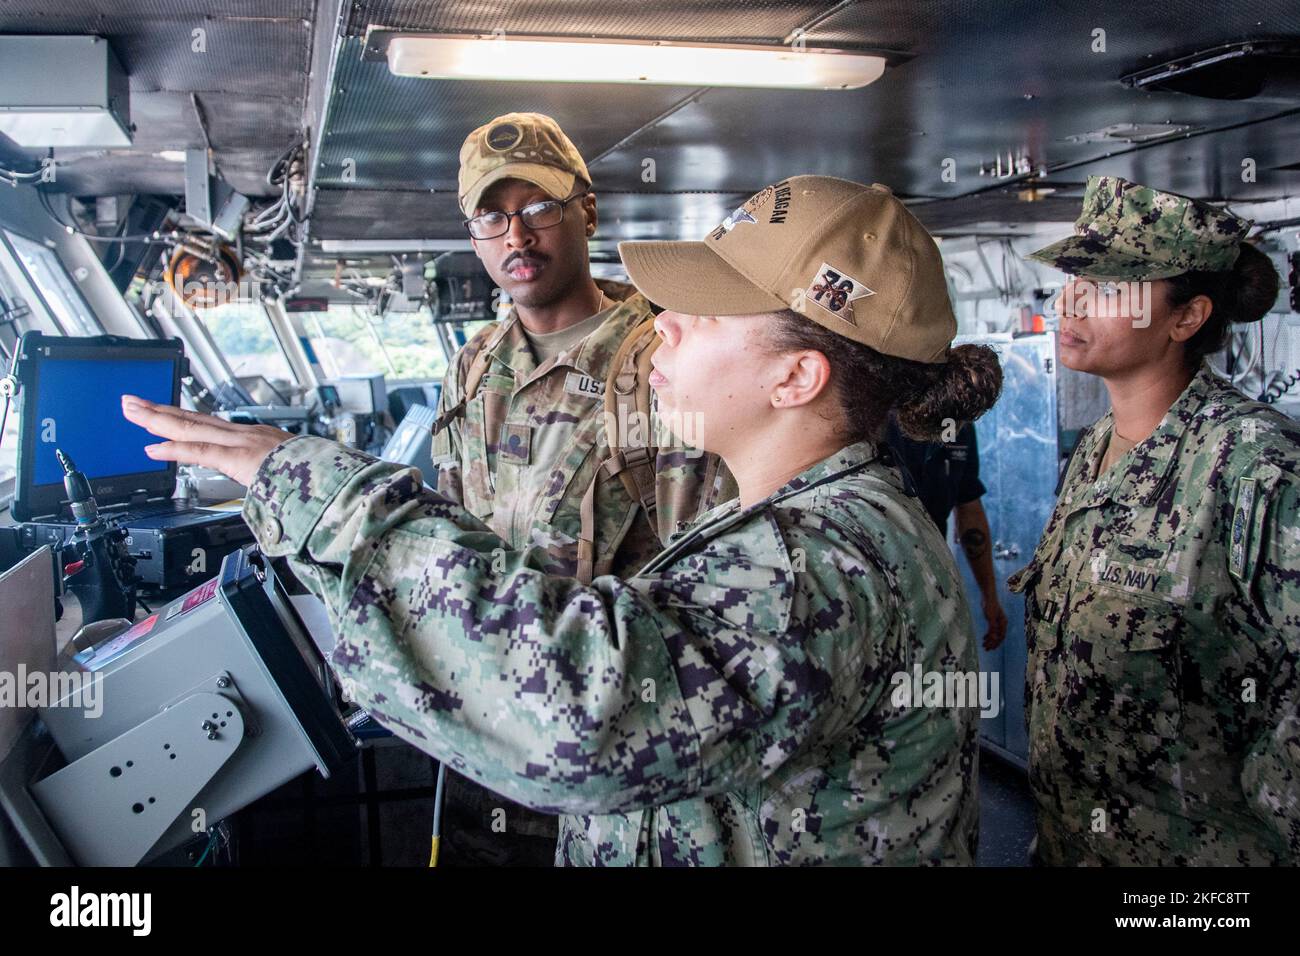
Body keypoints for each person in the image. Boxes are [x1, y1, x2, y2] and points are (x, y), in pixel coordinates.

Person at [123, 175, 1002, 866]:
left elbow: (578, 711)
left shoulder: (823, 563)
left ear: (796, 379)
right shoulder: (796, 525)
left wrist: (321, 493)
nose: (666, 325)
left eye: (706, 312)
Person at [434, 112, 735, 862]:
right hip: (482, 723)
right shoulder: (475, 363)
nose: (517, 237)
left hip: (604, 741)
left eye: (538, 209)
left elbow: (711, 582)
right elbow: (455, 525)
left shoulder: (659, 364)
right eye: (492, 218)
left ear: (587, 213)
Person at [1009, 175, 1300, 865]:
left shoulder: (1252, 464)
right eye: (1075, 277)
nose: (1069, 300)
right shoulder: (1094, 451)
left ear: (1186, 318)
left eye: (1108, 288)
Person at [886, 419, 1008, 650]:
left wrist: (989, 596)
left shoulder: (959, 424)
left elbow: (969, 506)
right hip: (879, 583)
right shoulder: (874, 413)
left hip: (931, 587)